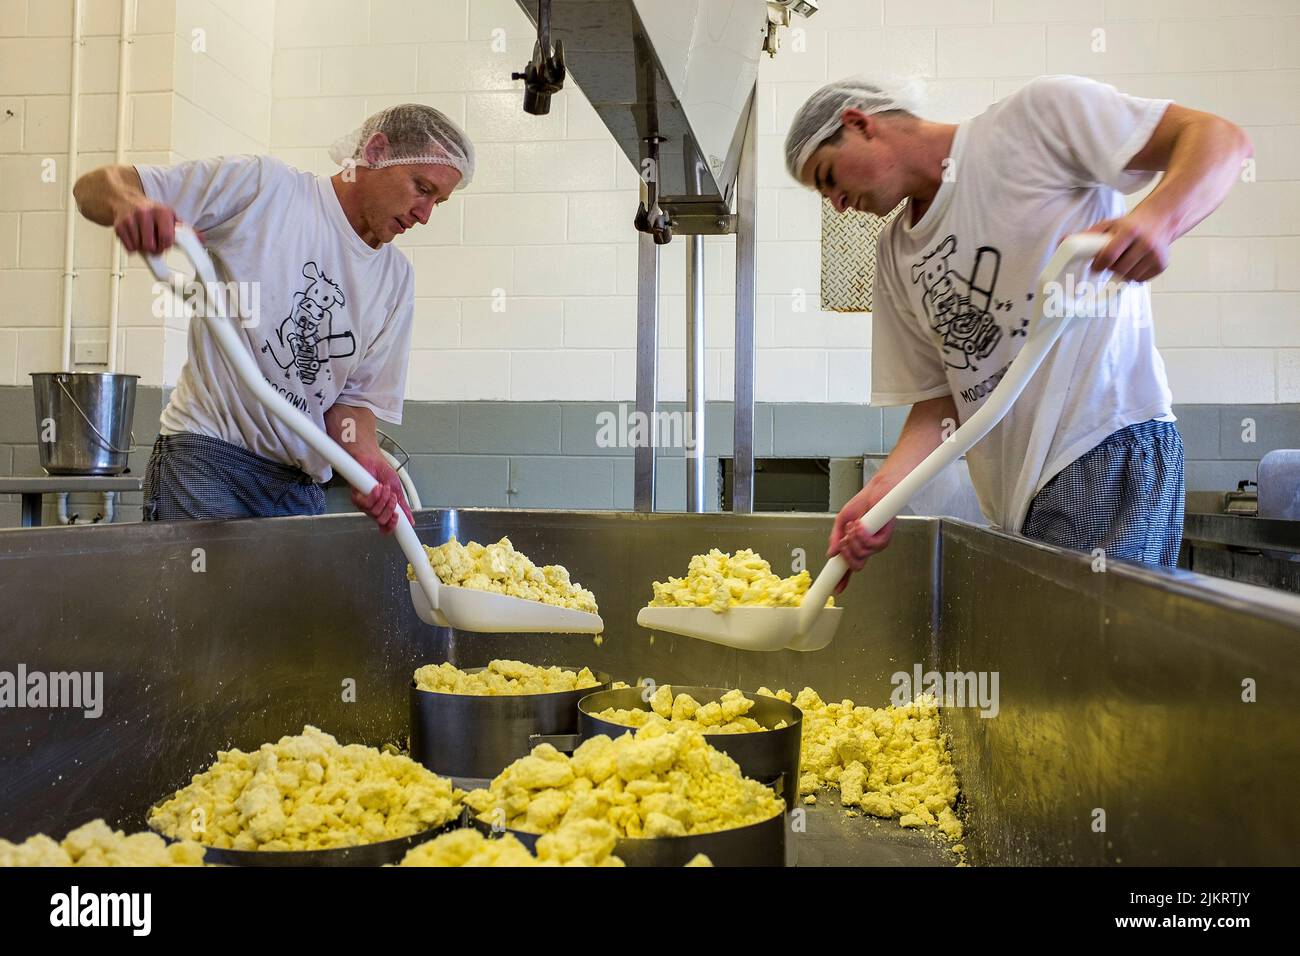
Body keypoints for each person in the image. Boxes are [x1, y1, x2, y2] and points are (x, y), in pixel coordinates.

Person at [785, 75, 1251, 581]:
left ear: (859, 124)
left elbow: (1217, 138)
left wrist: (1160, 218)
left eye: (829, 178)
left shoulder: (1033, 121)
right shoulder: (897, 254)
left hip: (1104, 444)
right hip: (1014, 499)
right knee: (1054, 657)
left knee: (1087, 655)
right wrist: (882, 494)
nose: (836, 203)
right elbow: (943, 397)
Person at [72, 104, 474, 532]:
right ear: (375, 152)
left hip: (298, 489)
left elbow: (351, 403)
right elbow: (94, 187)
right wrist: (132, 205)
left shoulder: (395, 280)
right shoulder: (266, 190)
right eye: (422, 188)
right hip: (208, 462)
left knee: (283, 604)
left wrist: (367, 459)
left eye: (438, 202)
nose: (425, 214)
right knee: (200, 600)